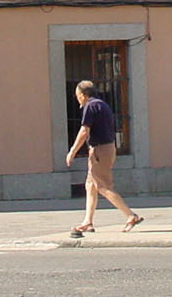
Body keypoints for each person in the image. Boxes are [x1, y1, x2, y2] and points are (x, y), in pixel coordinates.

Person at [65, 80, 143, 233]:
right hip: (106, 148)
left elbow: (84, 131)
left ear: (84, 95)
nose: (77, 98)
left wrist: (72, 151)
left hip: (99, 150)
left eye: (77, 95)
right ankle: (87, 222)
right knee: (90, 185)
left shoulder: (90, 106)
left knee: (102, 186)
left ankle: (130, 215)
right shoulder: (102, 104)